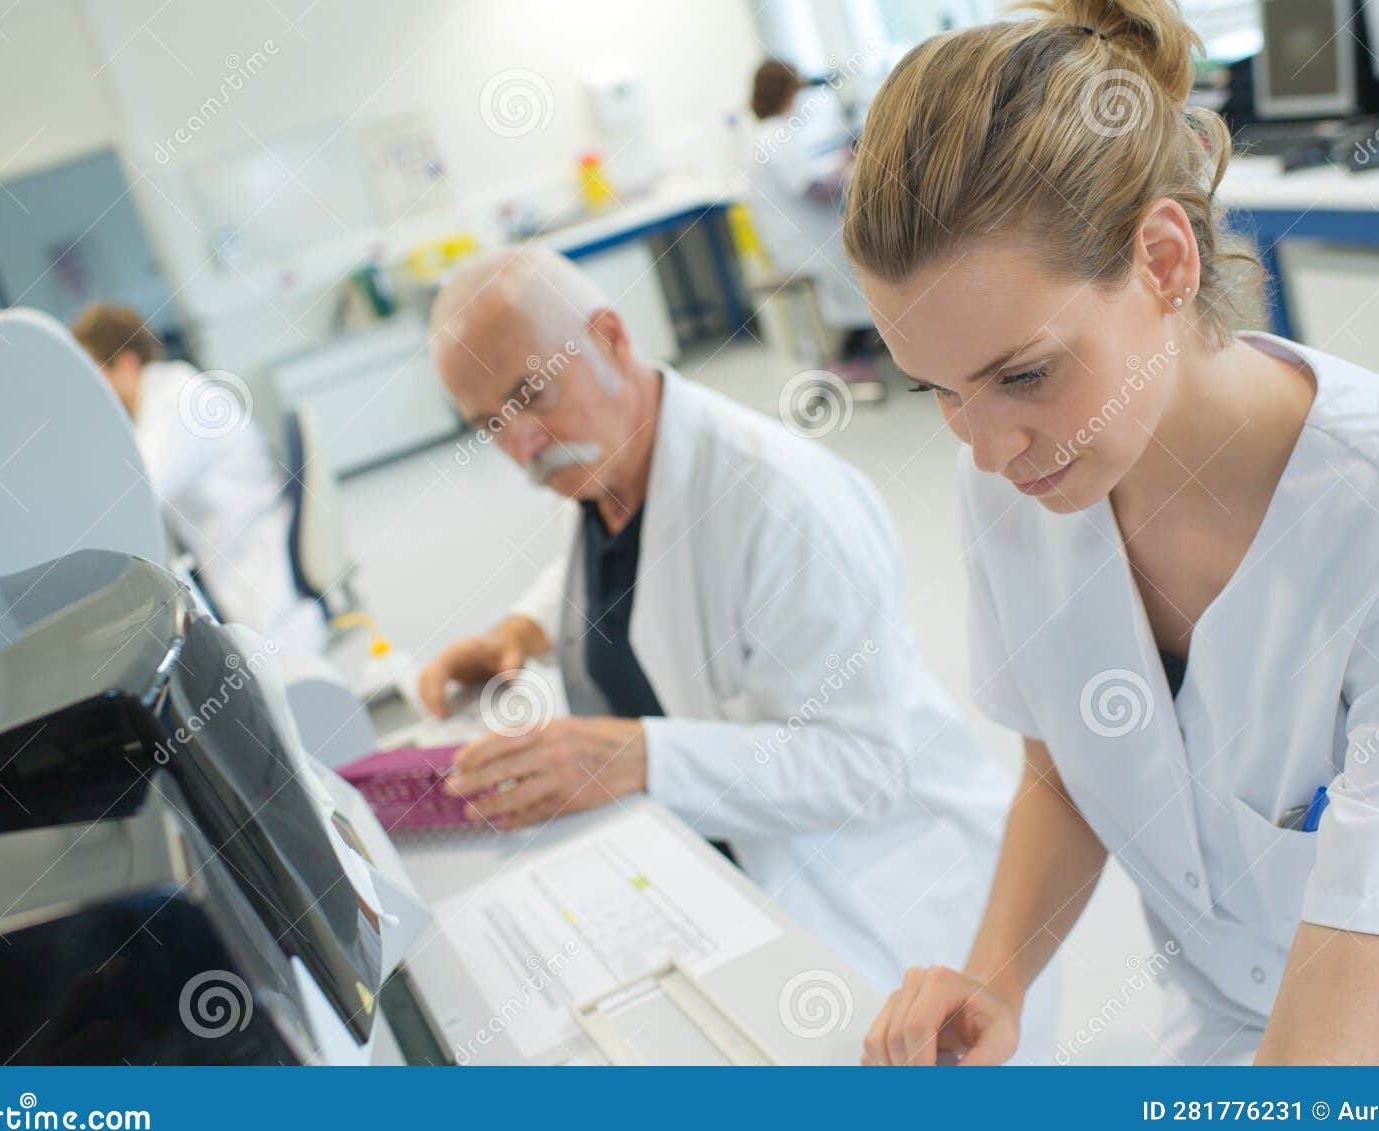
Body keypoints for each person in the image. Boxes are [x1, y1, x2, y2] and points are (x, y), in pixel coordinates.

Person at [845, 0, 1379, 1065]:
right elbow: (1068, 764)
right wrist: (995, 978)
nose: (988, 447)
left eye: (1024, 374)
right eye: (939, 390)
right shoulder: (1016, 477)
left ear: (1165, 262)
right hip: (1222, 1027)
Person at [420, 247, 1058, 1056]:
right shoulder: (606, 465)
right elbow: (616, 575)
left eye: (529, 396)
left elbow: (859, 767)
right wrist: (516, 633)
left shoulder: (782, 505)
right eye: (490, 425)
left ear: (611, 338)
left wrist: (641, 757)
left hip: (883, 909)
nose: (521, 448)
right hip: (716, 883)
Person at [72, 303, 326, 656]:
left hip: (257, 565)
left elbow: (139, 496)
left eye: (96, 372)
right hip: (239, 552)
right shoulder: (166, 397)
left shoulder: (176, 404)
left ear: (126, 363)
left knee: (278, 673)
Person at [743, 58, 879, 380]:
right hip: (807, 245)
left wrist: (844, 163)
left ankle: (855, 352)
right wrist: (851, 167)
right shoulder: (774, 135)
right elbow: (815, 189)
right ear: (787, 92)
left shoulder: (762, 135)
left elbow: (807, 179)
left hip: (793, 241)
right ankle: (849, 357)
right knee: (871, 263)